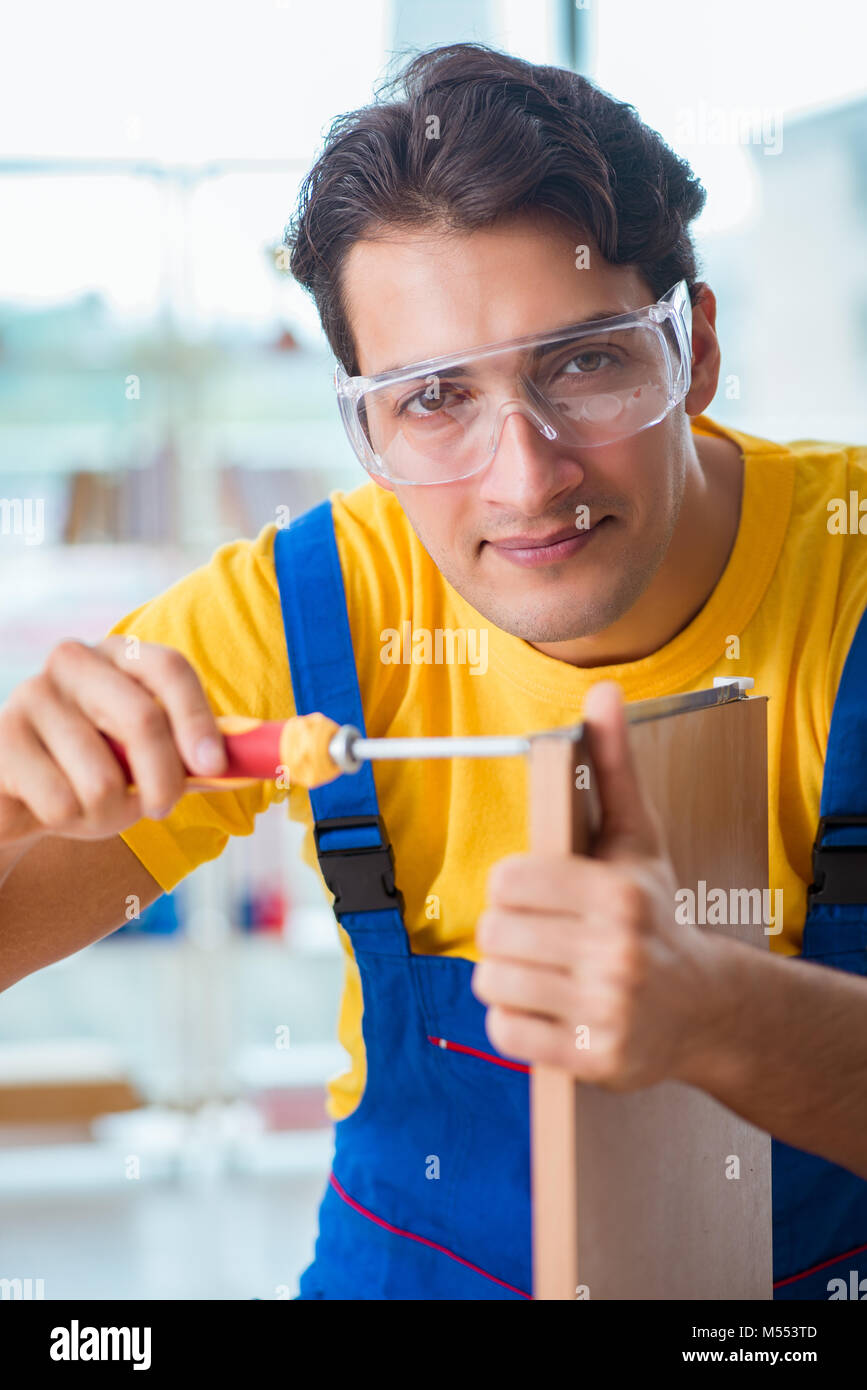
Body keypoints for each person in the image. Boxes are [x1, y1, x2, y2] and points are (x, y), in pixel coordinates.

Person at [1, 43, 865, 1301]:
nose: (527, 480)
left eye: (584, 361)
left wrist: (725, 1017)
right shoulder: (305, 615)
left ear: (697, 350)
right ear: (362, 428)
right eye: (432, 399)